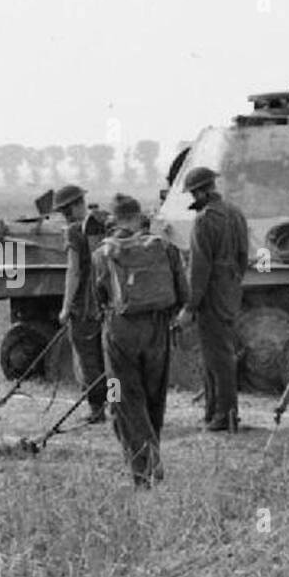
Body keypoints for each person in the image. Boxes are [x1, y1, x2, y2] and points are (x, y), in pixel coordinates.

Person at [91, 194, 189, 488]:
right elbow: (182, 293)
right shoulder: (165, 249)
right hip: (157, 331)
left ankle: (143, 468)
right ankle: (151, 452)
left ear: (114, 219)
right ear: (139, 216)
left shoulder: (102, 253)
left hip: (119, 332)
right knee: (153, 396)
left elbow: (100, 298)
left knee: (121, 396)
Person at [173, 165, 249, 432]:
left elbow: (198, 268)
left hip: (210, 297)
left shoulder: (205, 220)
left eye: (194, 193)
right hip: (229, 293)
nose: (193, 198)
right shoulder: (236, 214)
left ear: (201, 191)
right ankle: (213, 411)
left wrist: (190, 306)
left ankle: (224, 416)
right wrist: (231, 283)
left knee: (218, 358)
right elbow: (244, 258)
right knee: (218, 355)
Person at [54, 183, 108, 423]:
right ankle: (116, 404)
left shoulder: (74, 232)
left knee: (88, 362)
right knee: (110, 362)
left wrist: (66, 308)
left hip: (85, 307)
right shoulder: (105, 225)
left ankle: (97, 410)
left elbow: (74, 272)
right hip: (108, 304)